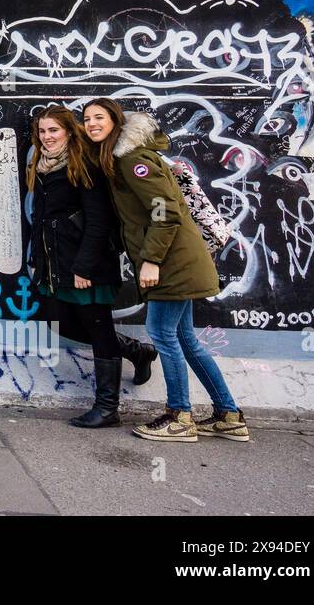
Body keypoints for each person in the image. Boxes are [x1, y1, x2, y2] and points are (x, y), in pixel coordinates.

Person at [82, 97, 249, 443]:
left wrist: (152, 261)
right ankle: (228, 415)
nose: (92, 124)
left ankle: (179, 416)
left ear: (116, 121)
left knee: (162, 334)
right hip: (178, 258)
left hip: (172, 262)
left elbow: (164, 211)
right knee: (186, 338)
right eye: (87, 119)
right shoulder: (122, 158)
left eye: (100, 117)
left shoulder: (132, 160)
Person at [27, 105, 156, 429]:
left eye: (53, 130)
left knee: (98, 329)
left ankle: (107, 407)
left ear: (69, 132)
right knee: (59, 322)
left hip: (87, 266)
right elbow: (45, 222)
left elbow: (98, 222)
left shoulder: (85, 166)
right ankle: (136, 351)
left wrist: (84, 268)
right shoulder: (41, 166)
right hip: (56, 266)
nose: (47, 137)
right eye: (42, 132)